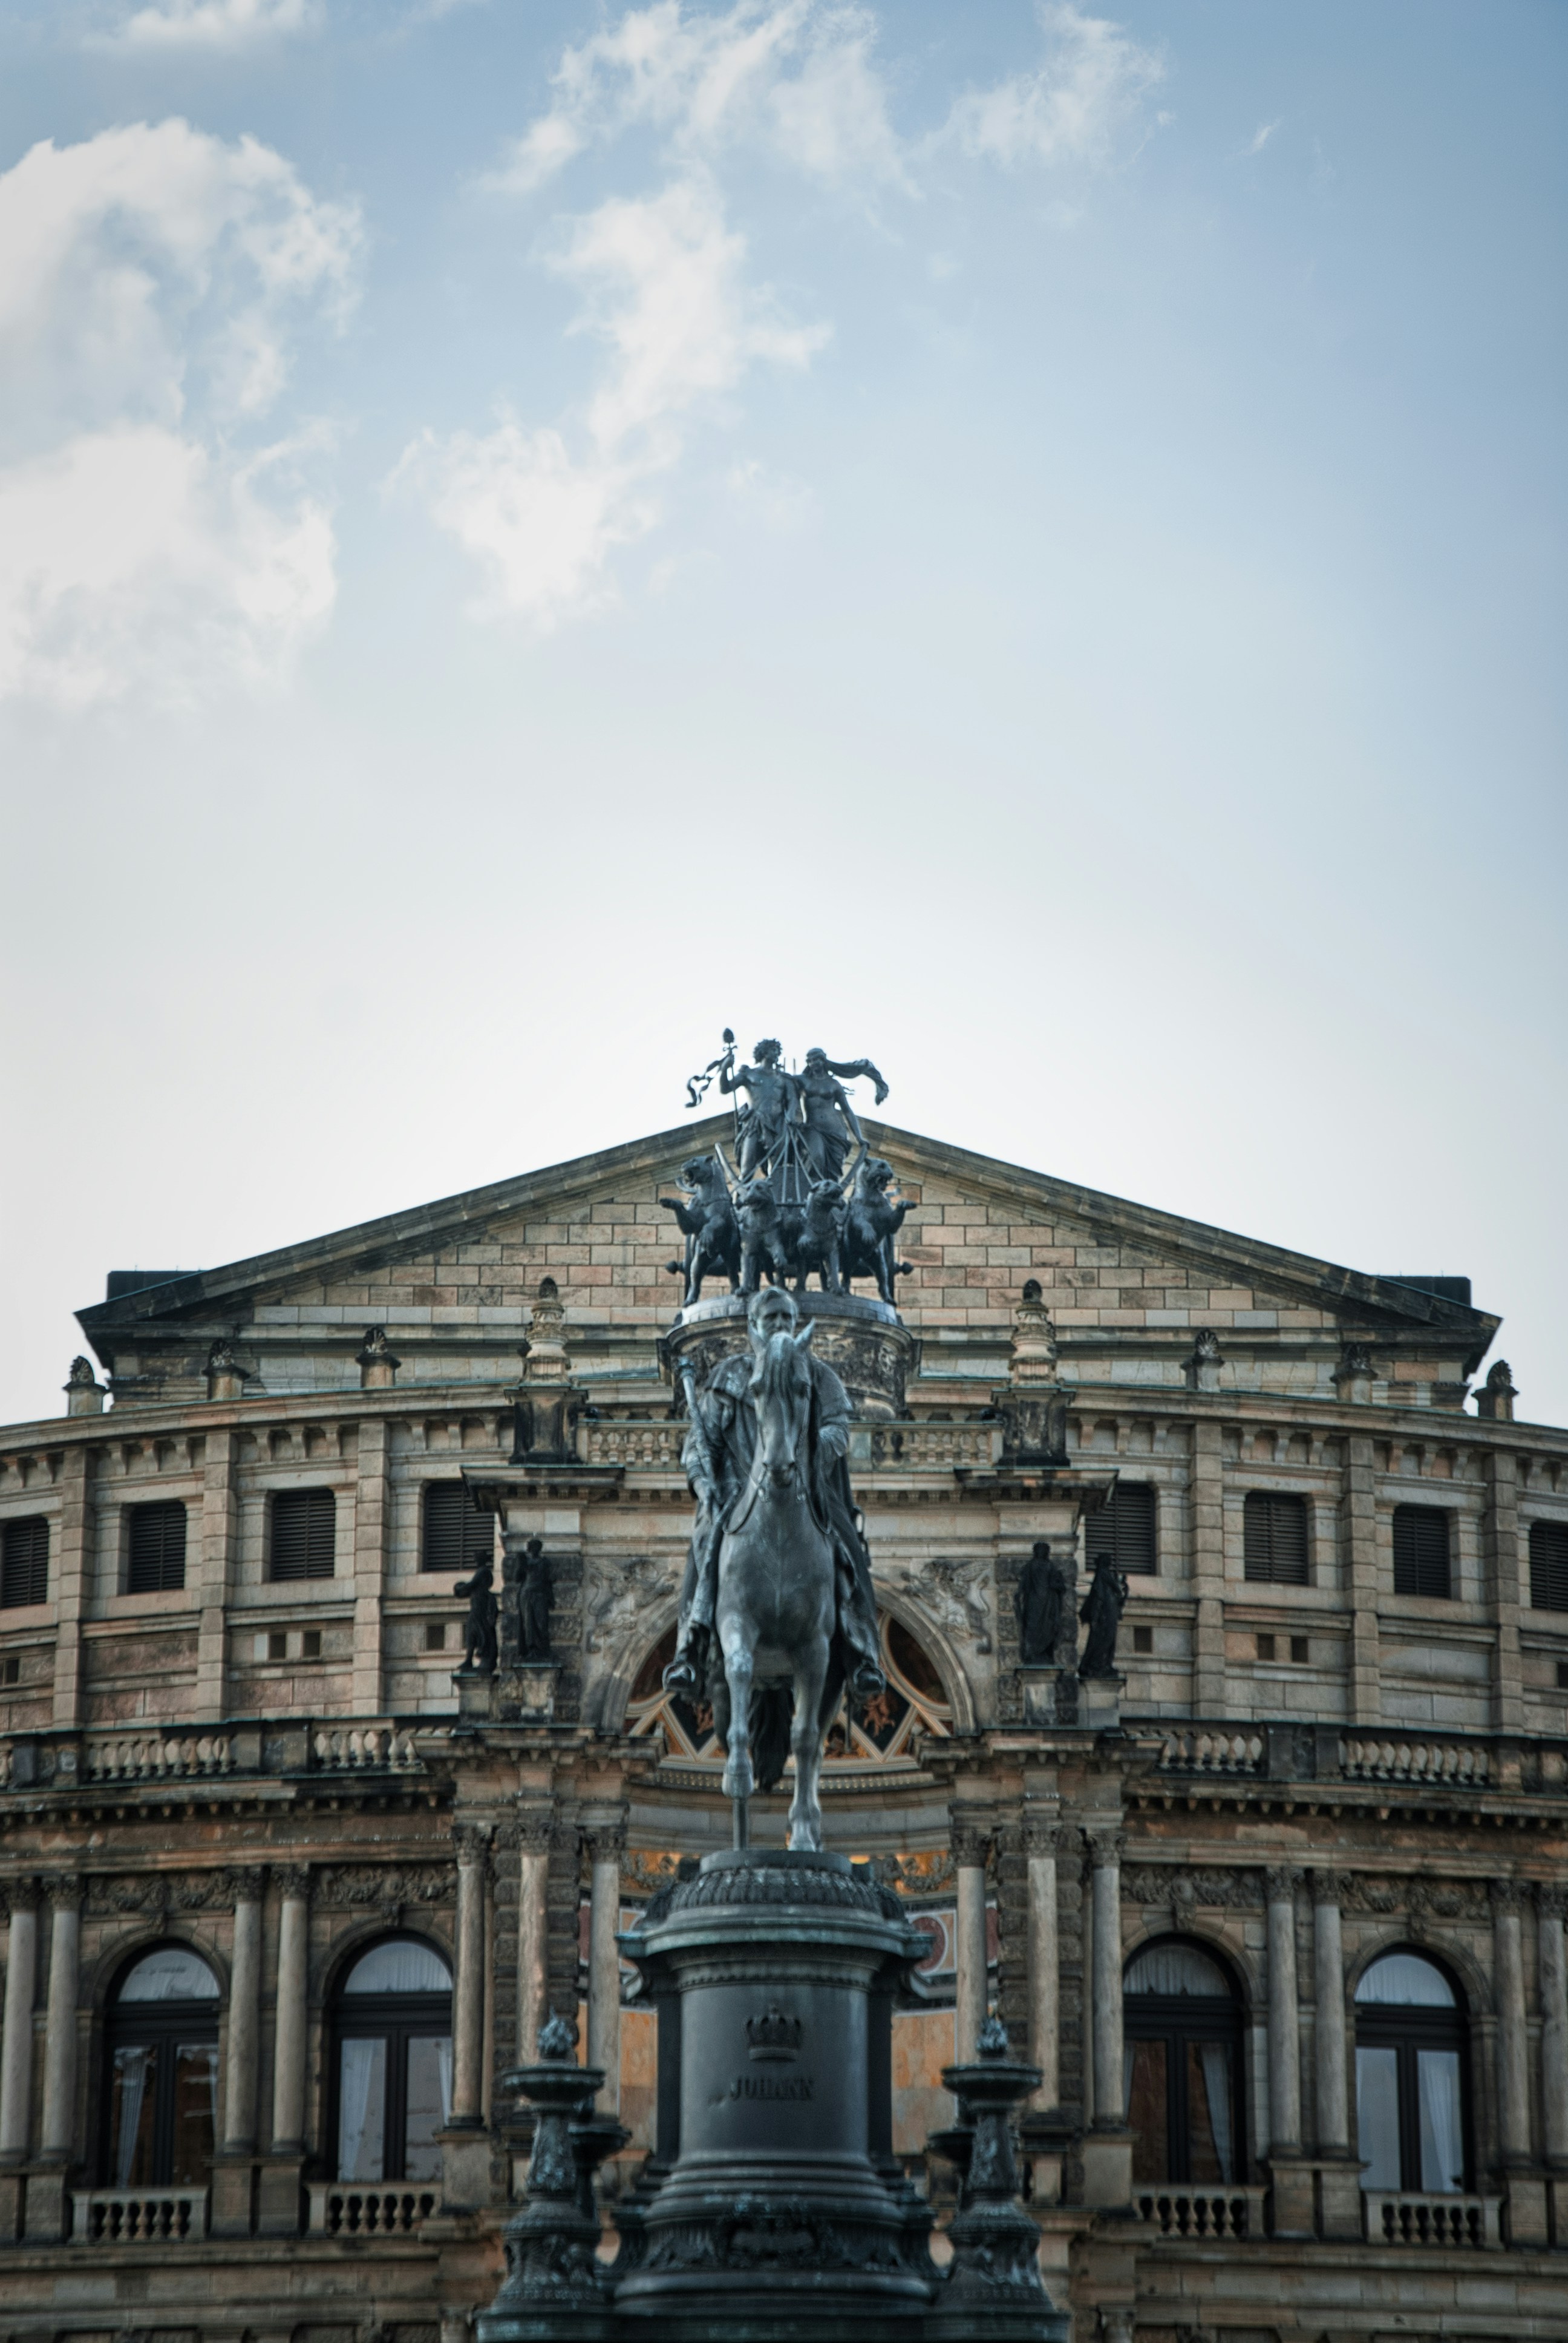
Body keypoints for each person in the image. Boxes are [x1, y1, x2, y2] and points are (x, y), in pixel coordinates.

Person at [665, 1286, 885, 1705]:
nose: (781, 1326)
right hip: (736, 1489)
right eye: (772, 1320)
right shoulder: (730, 1377)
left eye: (787, 1319)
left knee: (849, 1546)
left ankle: (863, 1652)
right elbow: (699, 1444)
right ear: (753, 1327)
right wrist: (703, 1483)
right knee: (706, 1541)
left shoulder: (818, 1375)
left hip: (806, 1486)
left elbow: (839, 1429)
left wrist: (808, 1452)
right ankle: (688, 1647)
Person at [798, 1048, 888, 1184]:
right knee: (816, 1158)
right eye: (809, 1061)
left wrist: (859, 1137)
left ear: (823, 1060)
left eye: (816, 1059)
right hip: (813, 1128)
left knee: (833, 1173)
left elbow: (847, 1111)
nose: (813, 1063)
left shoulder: (834, 1085)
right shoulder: (802, 1081)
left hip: (835, 1131)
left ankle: (830, 1197)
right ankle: (812, 1195)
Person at [720, 1039, 800, 1180]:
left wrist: (791, 1115)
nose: (776, 1054)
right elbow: (726, 1088)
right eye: (773, 1050)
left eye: (777, 1051)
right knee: (747, 1167)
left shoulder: (784, 1078)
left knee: (777, 1166)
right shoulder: (749, 1074)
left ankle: (775, 1195)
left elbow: (792, 1099)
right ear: (764, 1052)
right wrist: (725, 1069)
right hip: (755, 1123)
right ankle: (740, 1198)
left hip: (779, 1124)